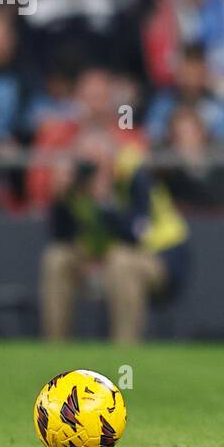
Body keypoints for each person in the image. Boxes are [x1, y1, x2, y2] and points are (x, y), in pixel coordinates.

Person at [40, 128, 190, 344]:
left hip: (160, 256)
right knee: (56, 258)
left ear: (110, 158)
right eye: (84, 163)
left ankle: (124, 353)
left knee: (121, 262)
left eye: (95, 163)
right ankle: (54, 350)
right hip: (101, 257)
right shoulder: (78, 186)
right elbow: (60, 235)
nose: (89, 170)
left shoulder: (134, 175)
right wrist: (61, 199)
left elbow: (137, 233)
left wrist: (105, 202)